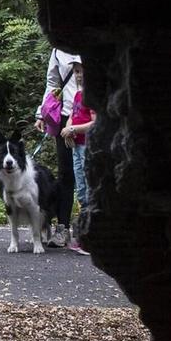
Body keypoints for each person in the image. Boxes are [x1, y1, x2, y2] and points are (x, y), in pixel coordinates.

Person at [36, 44, 81, 248]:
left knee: (90, 172)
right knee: (66, 172)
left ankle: (94, 227)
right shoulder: (58, 51)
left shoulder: (93, 45)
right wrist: (42, 114)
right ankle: (62, 227)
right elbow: (52, 83)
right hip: (64, 118)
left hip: (89, 115)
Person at [62, 61, 94, 256]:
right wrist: (68, 128)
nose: (79, 75)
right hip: (76, 146)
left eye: (82, 71)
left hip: (87, 146)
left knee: (90, 189)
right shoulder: (77, 94)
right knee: (81, 190)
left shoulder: (91, 97)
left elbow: (95, 122)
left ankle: (89, 237)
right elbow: (73, 116)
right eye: (76, 71)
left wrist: (73, 129)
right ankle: (83, 235)